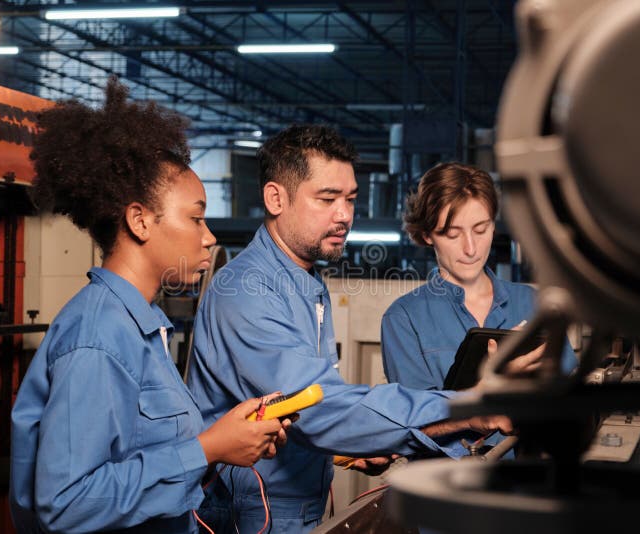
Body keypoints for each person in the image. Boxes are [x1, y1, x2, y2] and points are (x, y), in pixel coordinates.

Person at [186, 125, 513, 533]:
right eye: (327, 199)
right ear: (276, 198)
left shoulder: (303, 281)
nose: (344, 215)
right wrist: (466, 408)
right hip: (253, 515)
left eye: (350, 199)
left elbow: (304, 404)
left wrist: (356, 446)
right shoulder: (246, 292)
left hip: (295, 504)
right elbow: (322, 409)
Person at [9, 79, 290, 534]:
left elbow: (146, 456)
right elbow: (65, 503)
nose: (209, 236)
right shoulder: (98, 338)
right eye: (195, 217)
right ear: (140, 221)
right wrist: (208, 449)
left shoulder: (138, 326)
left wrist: (227, 439)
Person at [381, 161, 577, 453]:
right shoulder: (404, 318)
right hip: (445, 477)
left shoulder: (535, 304)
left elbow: (572, 401)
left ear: (493, 225)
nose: (471, 248)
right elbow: (411, 425)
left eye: (481, 229)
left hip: (531, 473)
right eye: (452, 234)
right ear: (427, 235)